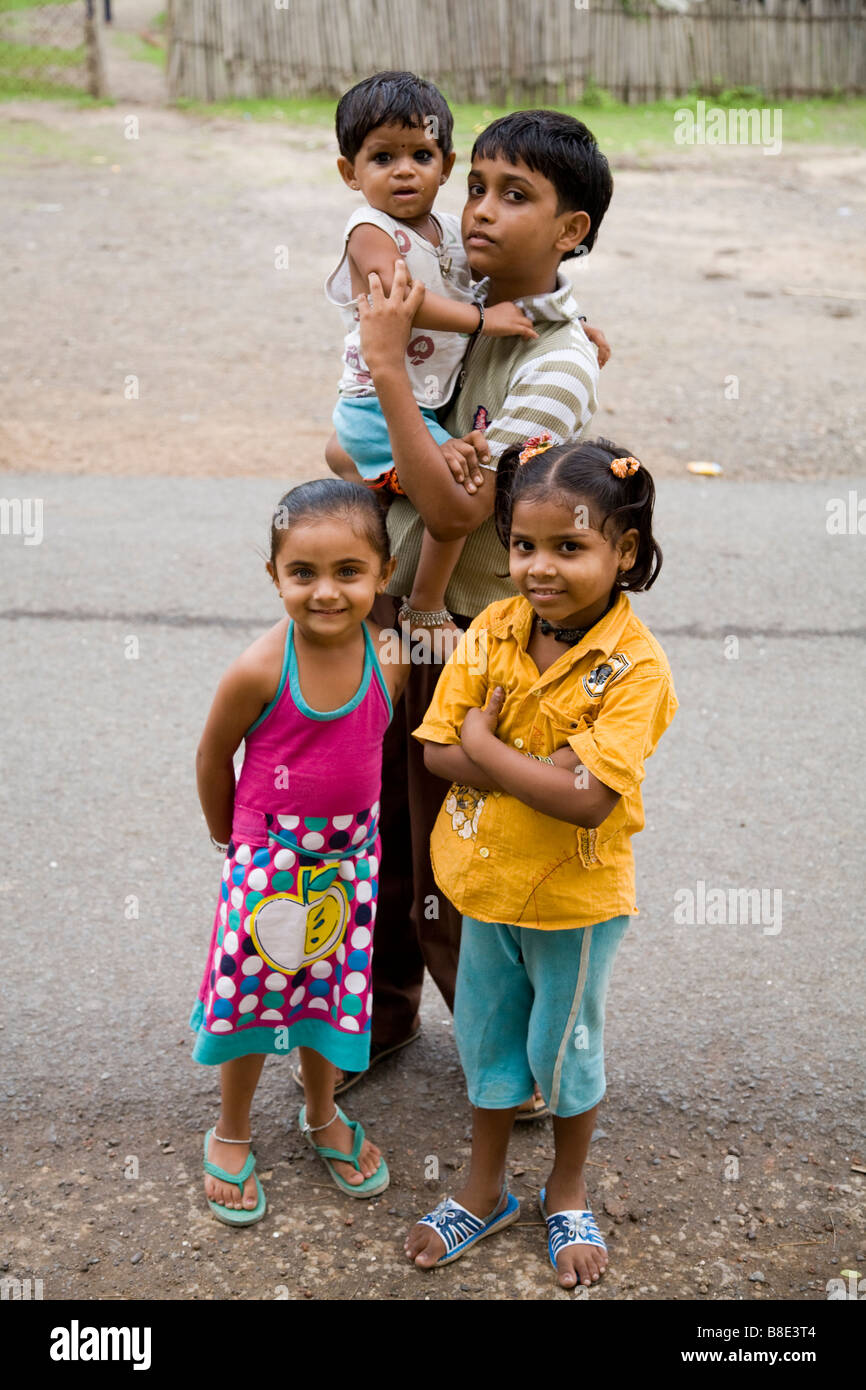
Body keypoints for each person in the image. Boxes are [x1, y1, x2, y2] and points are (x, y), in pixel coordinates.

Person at [345, 109, 614, 1113]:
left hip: (469, 637)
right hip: (385, 611)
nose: (481, 213)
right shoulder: (455, 286)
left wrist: (383, 371)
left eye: (517, 196)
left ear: (571, 229)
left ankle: (518, 1070)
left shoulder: (559, 363)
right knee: (367, 834)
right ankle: (376, 1017)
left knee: (456, 855)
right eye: (479, 187)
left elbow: (462, 504)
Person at [404, 436, 678, 1287]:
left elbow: (589, 801)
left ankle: (565, 1192)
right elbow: (438, 755)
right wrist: (537, 768)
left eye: (570, 547)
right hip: (485, 884)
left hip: (574, 905)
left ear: (623, 552)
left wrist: (489, 740)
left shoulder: (636, 670)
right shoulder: (493, 625)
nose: (539, 568)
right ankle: (483, 1191)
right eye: (524, 546)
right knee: (486, 1044)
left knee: (568, 1055)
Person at [190, 479, 409, 1222]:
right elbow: (213, 754)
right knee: (251, 1000)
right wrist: (232, 840)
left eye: (349, 572)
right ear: (274, 577)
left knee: (329, 997)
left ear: (383, 576)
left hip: (352, 863)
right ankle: (231, 1128)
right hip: (268, 863)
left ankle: (320, 1114)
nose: (325, 592)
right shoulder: (258, 668)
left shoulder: (390, 654)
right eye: (302, 573)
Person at [325, 70, 540, 645]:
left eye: (420, 154)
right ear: (351, 172)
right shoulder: (369, 233)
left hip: (428, 398)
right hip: (377, 401)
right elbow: (404, 305)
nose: (403, 170)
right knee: (455, 486)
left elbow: (503, 282)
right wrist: (479, 320)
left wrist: (568, 320)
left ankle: (373, 546)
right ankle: (421, 604)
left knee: (451, 475)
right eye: (382, 157)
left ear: (446, 166)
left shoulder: (447, 230)